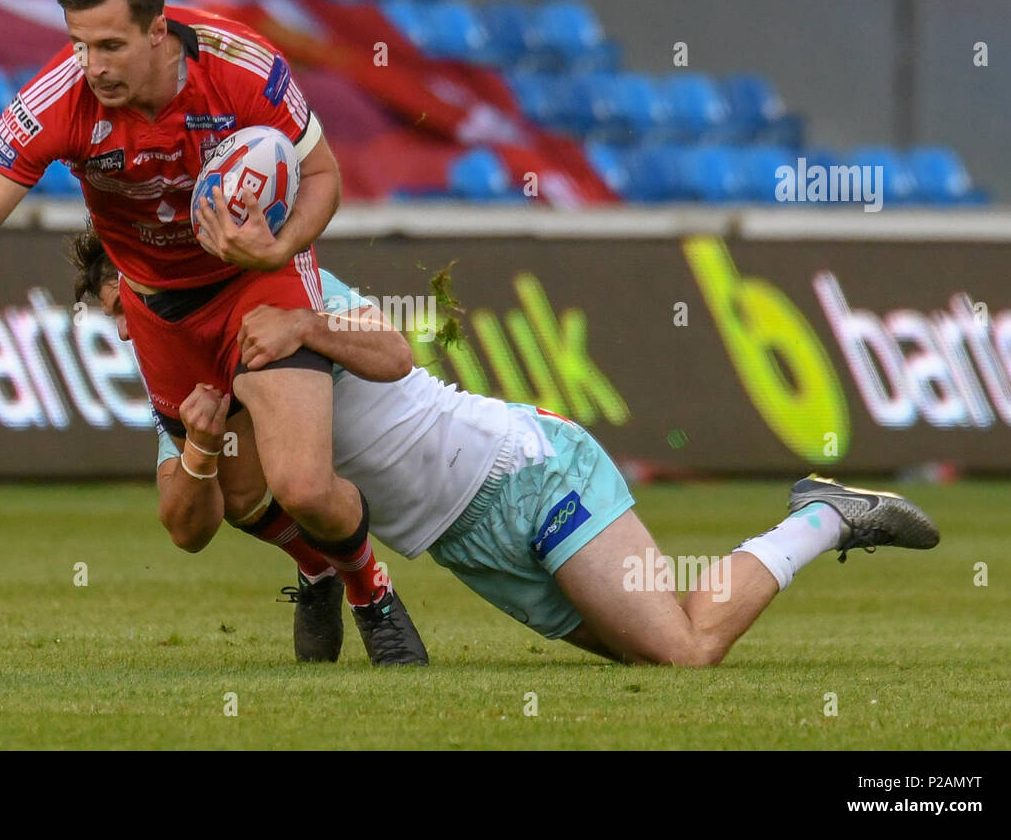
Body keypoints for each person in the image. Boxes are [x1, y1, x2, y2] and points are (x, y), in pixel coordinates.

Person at [0, 0, 426, 665]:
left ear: (159, 31)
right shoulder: (58, 97)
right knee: (229, 506)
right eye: (78, 43)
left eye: (110, 44)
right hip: (159, 307)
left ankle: (370, 591)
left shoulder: (242, 67)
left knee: (305, 484)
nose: (92, 65)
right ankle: (315, 567)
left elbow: (322, 176)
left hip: (256, 279)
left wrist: (279, 253)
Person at [73, 230, 943, 666]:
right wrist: (195, 442)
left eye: (136, 302)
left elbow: (395, 352)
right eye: (124, 318)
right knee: (675, 635)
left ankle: (824, 516)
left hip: (522, 470)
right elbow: (187, 523)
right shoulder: (181, 389)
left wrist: (308, 324)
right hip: (470, 548)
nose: (138, 324)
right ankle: (819, 512)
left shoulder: (280, 292)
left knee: (683, 654)